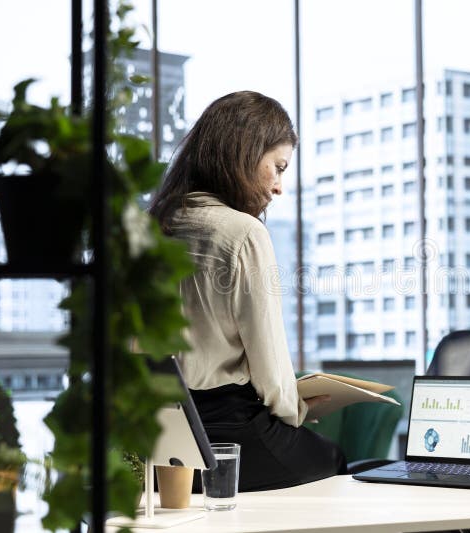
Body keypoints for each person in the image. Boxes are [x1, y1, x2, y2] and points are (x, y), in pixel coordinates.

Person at [149, 91, 346, 491]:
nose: (279, 187)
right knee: (333, 457)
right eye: (278, 167)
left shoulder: (150, 226)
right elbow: (268, 363)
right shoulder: (244, 232)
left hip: (157, 432)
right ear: (245, 153)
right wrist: (295, 409)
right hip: (228, 430)